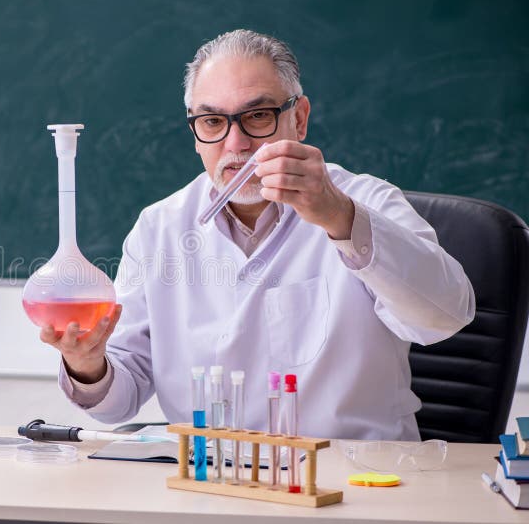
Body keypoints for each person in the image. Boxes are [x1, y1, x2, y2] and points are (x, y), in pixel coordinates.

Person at [38, 29, 475, 440]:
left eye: (258, 116)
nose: (236, 143)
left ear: (298, 119)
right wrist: (87, 365)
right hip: (213, 476)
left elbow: (447, 314)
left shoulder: (366, 202)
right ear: (195, 133)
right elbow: (119, 399)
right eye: (213, 121)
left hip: (355, 476)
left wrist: (341, 218)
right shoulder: (159, 228)